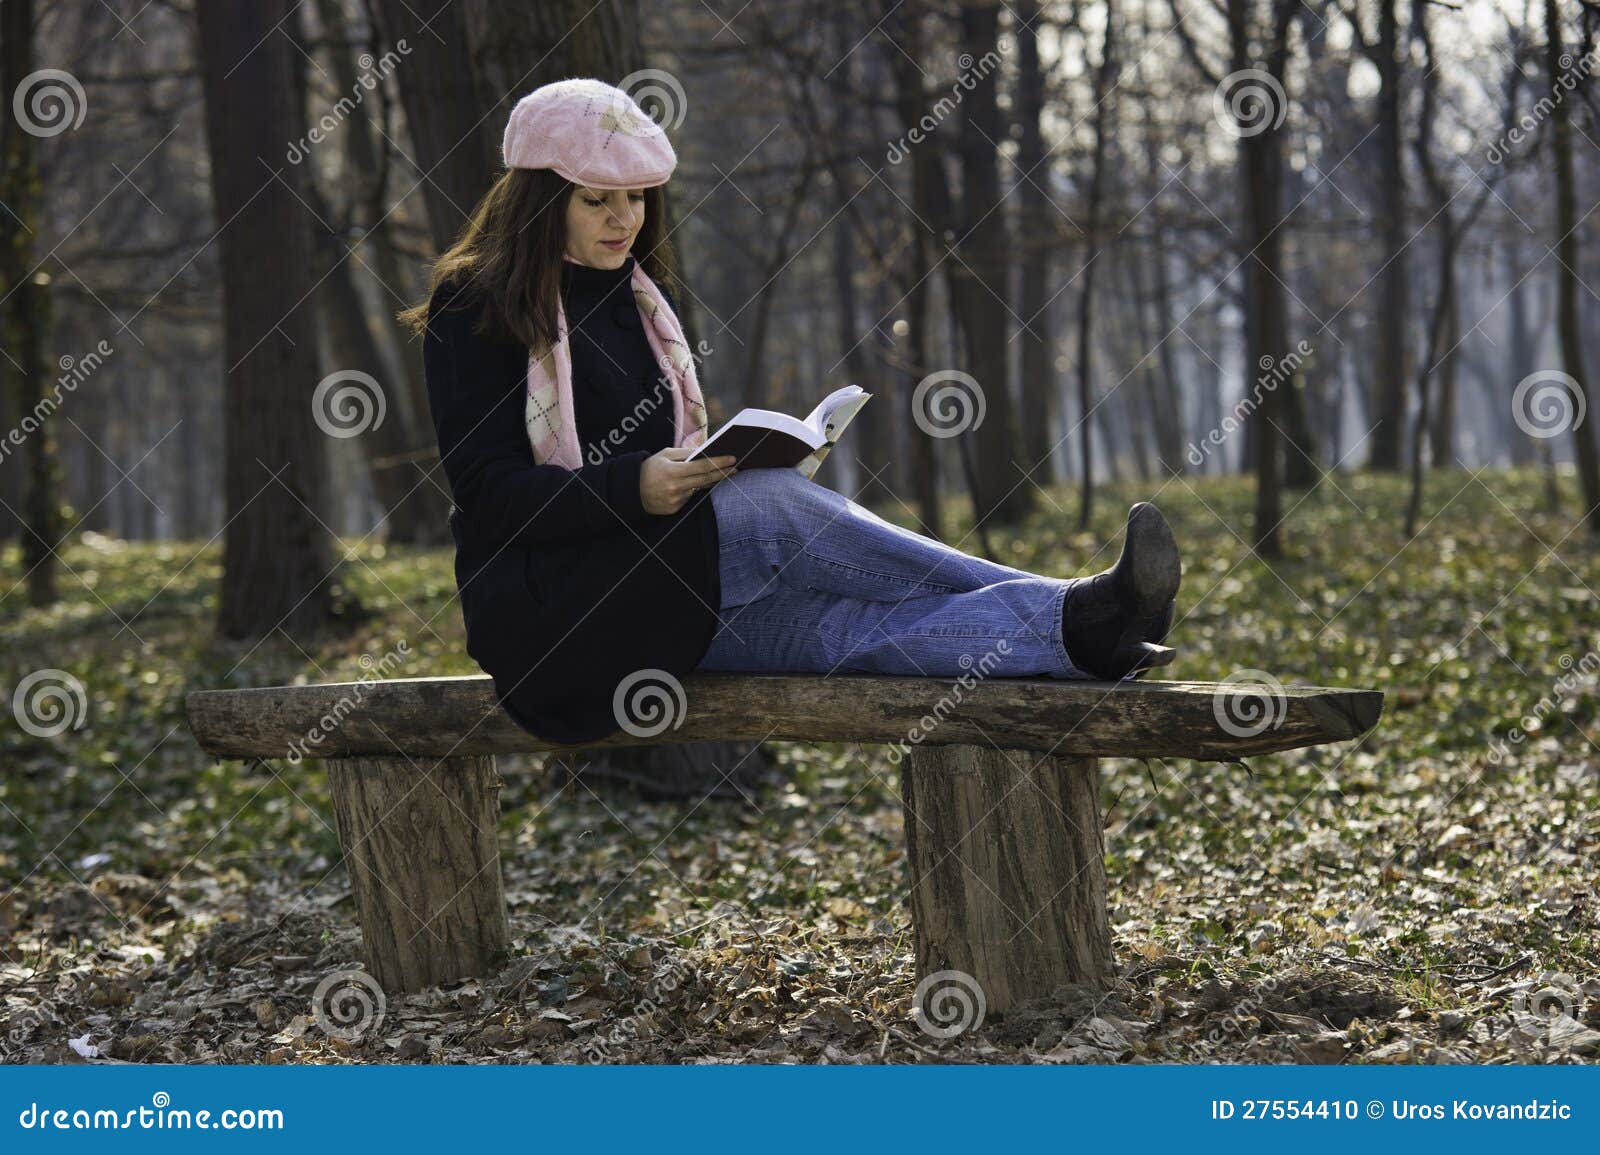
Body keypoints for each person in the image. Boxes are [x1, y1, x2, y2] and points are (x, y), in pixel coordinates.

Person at [400, 77, 1182, 748]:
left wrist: (723, 462)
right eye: (596, 200)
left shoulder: (642, 303)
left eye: (637, 196)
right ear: (539, 200)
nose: (625, 219)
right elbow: (488, 494)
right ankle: (1079, 602)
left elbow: (671, 457)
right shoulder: (476, 304)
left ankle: (1079, 634)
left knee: (848, 631)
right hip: (554, 619)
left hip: (664, 599)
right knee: (771, 504)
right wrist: (633, 485)